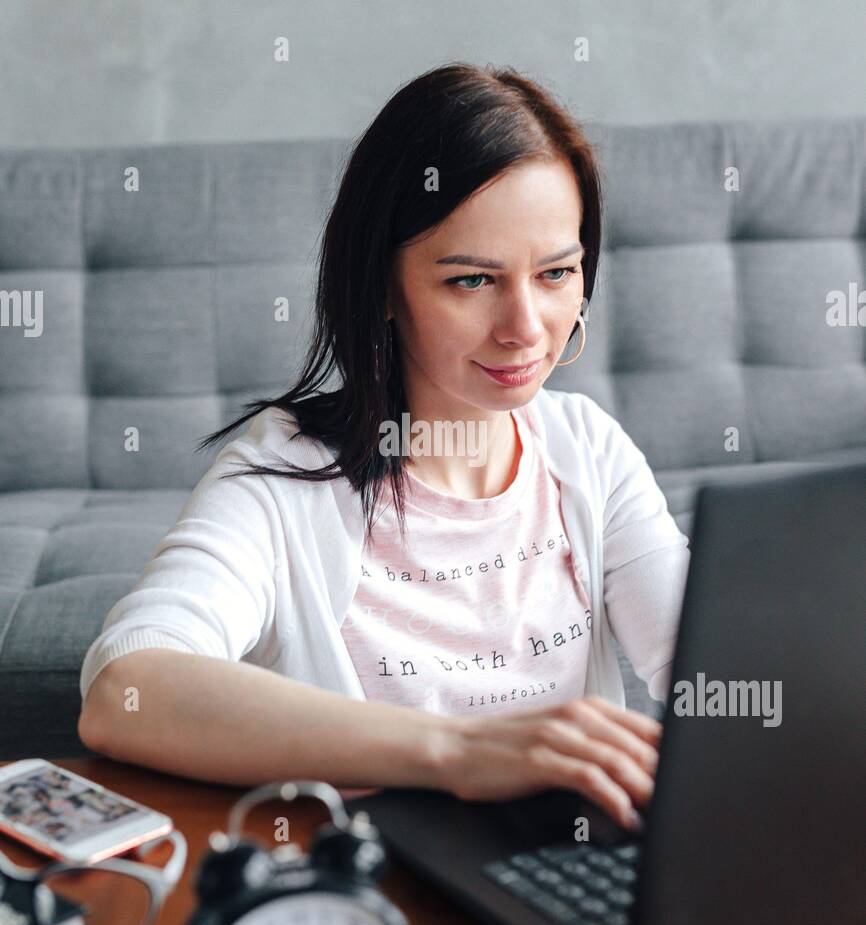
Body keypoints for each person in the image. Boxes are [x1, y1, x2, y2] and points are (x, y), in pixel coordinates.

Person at [79, 63, 690, 831]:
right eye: (472, 281)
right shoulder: (282, 482)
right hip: (375, 894)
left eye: (557, 273)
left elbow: (711, 670)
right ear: (382, 287)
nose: (527, 326)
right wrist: (461, 751)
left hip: (571, 878)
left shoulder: (587, 448)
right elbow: (125, 689)